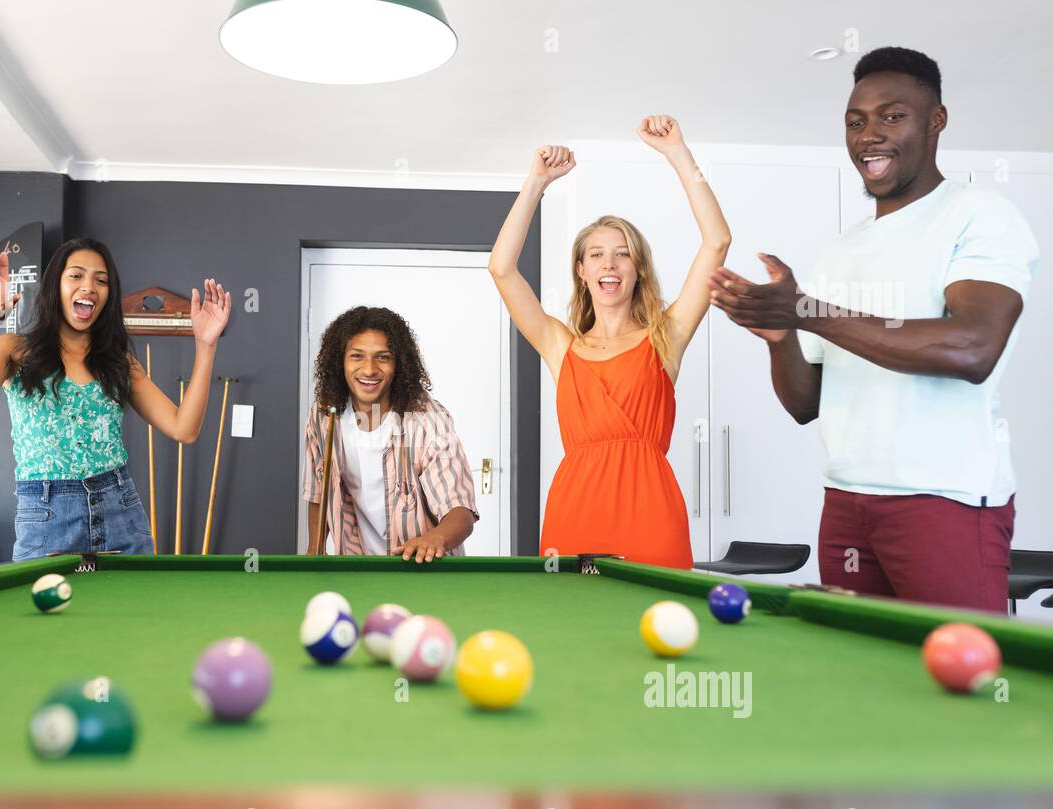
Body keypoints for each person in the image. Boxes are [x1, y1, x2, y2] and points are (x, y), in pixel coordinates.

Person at [710, 47, 1040, 613]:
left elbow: (972, 348)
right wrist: (782, 337)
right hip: (846, 503)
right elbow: (806, 402)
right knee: (861, 677)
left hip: (944, 499)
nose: (869, 136)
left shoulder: (979, 213)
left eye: (892, 116)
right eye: (855, 121)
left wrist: (806, 312)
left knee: (961, 682)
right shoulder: (842, 248)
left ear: (936, 120)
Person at [489, 116, 731, 567]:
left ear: (638, 269)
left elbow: (717, 242)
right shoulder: (560, 345)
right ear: (582, 271)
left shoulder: (666, 336)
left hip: (652, 512)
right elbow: (501, 268)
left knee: (661, 624)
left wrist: (678, 153)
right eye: (597, 254)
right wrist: (536, 183)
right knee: (574, 627)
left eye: (623, 254)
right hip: (574, 511)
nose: (610, 264)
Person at [0, 237, 231, 560]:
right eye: (76, 275)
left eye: (101, 280)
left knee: (133, 613)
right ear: (56, 285)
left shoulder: (118, 362)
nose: (89, 287)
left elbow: (184, 429)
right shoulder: (14, 350)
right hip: (46, 519)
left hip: (120, 512)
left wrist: (206, 346)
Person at [302, 305, 477, 562]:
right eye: (357, 356)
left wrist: (435, 538)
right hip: (357, 567)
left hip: (422, 568)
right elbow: (319, 491)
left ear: (399, 364)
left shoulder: (427, 420)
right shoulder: (325, 414)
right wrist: (313, 551)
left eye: (383, 357)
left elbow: (461, 511)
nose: (370, 369)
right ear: (340, 362)